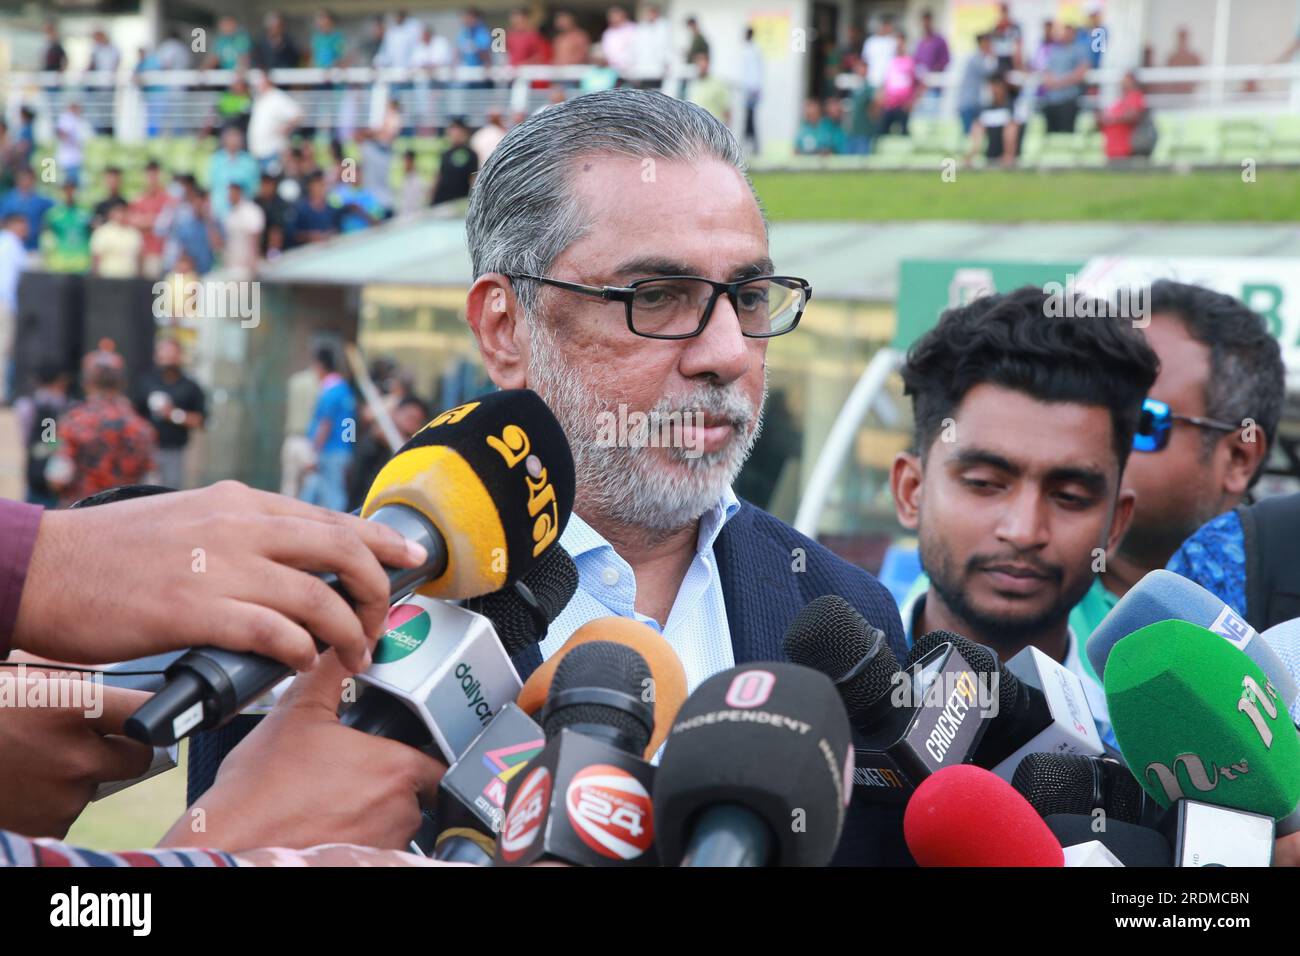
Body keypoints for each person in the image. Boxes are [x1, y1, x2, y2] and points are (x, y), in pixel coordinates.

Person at [459, 87, 907, 865]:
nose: (728, 352)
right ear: (506, 328)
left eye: (749, 296)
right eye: (658, 297)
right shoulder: (361, 620)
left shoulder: (847, 617)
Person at [890, 286, 1159, 747]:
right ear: (911, 491)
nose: (1023, 530)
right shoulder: (820, 707)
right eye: (984, 484)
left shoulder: (1152, 752)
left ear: (1115, 523)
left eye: (1070, 495)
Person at [1098, 281, 1283, 613]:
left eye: (1140, 420)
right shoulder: (1003, 595)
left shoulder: (1280, 628)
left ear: (1238, 458)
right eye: (1092, 407)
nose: (1094, 437)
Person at [47, 344, 157, 507]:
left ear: (86, 382)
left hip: (81, 518)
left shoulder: (74, 422)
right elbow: (151, 483)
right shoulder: (142, 427)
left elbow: (58, 478)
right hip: (126, 519)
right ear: (122, 383)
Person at [133, 337, 206, 490]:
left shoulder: (190, 387)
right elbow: (134, 414)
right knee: (142, 494)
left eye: (171, 355)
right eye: (163, 355)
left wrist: (173, 415)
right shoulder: (146, 382)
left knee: (170, 493)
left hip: (174, 451)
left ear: (179, 356)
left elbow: (200, 420)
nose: (167, 360)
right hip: (147, 450)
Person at [299, 347, 356, 513]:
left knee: (332, 495)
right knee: (327, 490)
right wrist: (348, 447)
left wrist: (314, 450)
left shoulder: (330, 392)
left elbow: (325, 423)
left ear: (320, 366)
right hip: (342, 450)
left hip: (329, 450)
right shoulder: (345, 390)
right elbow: (350, 423)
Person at [16, 360, 70, 507]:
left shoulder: (25, 405)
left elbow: (27, 441)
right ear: (61, 381)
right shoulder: (62, 406)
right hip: (55, 479)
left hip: (34, 474)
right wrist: (59, 443)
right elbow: (53, 443)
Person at [1040, 22, 1089, 133]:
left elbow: (1081, 72)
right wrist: (1052, 81)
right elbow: (1046, 72)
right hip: (1051, 100)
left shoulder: (1079, 49)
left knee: (1066, 133)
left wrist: (1059, 82)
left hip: (1068, 100)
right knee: (1051, 134)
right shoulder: (1054, 50)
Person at [126, 160, 173, 276]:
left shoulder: (167, 198)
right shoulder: (138, 199)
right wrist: (152, 219)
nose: (151, 178)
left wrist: (145, 220)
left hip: (159, 252)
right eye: (149, 174)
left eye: (154, 174)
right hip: (139, 251)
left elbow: (164, 223)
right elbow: (131, 221)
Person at [247, 72, 304, 168]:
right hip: (258, 153)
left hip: (273, 152)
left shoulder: (277, 97)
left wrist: (286, 128)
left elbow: (298, 114)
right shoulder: (259, 98)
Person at [281, 361, 320, 498]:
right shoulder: (320, 385)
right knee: (309, 486)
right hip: (308, 440)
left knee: (289, 485)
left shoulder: (294, 381)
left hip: (291, 438)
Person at [965, 74, 1022, 167]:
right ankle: (971, 155)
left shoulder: (1013, 107)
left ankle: (1008, 157)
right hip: (990, 152)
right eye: (992, 87)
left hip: (1009, 150)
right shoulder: (984, 109)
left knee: (1011, 127)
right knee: (978, 126)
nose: (994, 90)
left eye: (997, 86)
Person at [208, 125, 261, 221]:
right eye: (230, 138)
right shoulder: (216, 160)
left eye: (236, 138)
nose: (233, 141)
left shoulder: (249, 161)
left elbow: (254, 187)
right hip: (219, 210)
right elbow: (211, 185)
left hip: (242, 211)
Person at [0, 167, 54, 252]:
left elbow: (53, 216)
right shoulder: (7, 200)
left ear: (33, 180)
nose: (25, 182)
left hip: (34, 246)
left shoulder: (41, 201)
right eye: (22, 178)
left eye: (28, 179)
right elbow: (2, 221)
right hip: (12, 247)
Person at [42, 180, 91, 273]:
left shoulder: (86, 213)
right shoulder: (53, 215)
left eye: (72, 189)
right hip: (60, 265)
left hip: (81, 265)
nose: (69, 193)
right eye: (66, 190)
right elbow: (46, 240)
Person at [1097, 71, 1147, 161]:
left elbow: (1133, 116)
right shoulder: (1120, 100)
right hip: (1111, 147)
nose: (1123, 83)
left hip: (1125, 147)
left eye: (1126, 80)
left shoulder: (1135, 97)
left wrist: (1112, 119)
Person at [877, 32, 919, 136]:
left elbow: (916, 83)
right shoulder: (891, 62)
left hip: (904, 105)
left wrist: (911, 101)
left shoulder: (910, 62)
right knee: (883, 132)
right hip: (890, 104)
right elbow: (885, 83)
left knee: (904, 133)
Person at [430, 120, 479, 206]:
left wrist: (473, 201)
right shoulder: (446, 153)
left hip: (459, 202)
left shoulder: (471, 154)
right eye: (452, 131)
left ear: (465, 133)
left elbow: (473, 179)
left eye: (458, 131)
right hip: (441, 201)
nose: (455, 134)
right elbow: (438, 176)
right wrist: (431, 196)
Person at [89, 202, 143, 278]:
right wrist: (96, 276)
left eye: (124, 212)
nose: (121, 215)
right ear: (111, 214)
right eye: (118, 212)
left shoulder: (134, 233)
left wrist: (140, 275)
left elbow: (139, 257)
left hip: (129, 276)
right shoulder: (102, 232)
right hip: (107, 276)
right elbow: (96, 256)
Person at [957, 33, 997, 134]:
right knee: (971, 136)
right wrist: (994, 56)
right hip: (969, 103)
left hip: (975, 104)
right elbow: (989, 73)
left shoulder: (980, 59)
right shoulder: (975, 59)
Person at [292, 170, 343, 243]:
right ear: (310, 186)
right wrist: (312, 236)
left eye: (322, 183)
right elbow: (295, 234)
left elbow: (337, 228)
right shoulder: (301, 209)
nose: (321, 187)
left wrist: (331, 233)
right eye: (317, 183)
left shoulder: (332, 206)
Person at [53, 102, 92, 188]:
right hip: (67, 160)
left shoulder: (80, 121)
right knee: (67, 186)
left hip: (76, 159)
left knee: (76, 187)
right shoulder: (66, 118)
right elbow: (59, 133)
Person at [913, 9, 950, 99]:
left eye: (927, 20)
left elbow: (945, 60)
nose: (925, 23)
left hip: (934, 86)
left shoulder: (939, 40)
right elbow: (916, 61)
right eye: (924, 21)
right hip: (921, 87)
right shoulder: (920, 42)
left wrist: (932, 72)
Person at [633, 4, 672, 86]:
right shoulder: (641, 28)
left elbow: (667, 46)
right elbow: (637, 49)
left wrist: (667, 63)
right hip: (643, 68)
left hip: (658, 68)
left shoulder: (664, 27)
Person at [686, 52, 730, 124]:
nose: (701, 67)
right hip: (697, 129)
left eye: (703, 64)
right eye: (699, 64)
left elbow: (727, 111)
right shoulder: (693, 84)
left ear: (708, 64)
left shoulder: (718, 84)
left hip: (715, 129)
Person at [740, 27, 763, 154]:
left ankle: (752, 146)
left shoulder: (753, 51)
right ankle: (752, 145)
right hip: (748, 89)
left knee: (750, 118)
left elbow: (754, 72)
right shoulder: (748, 50)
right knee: (749, 118)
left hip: (752, 90)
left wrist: (753, 89)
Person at [862, 14, 898, 89]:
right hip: (872, 79)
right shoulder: (870, 41)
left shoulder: (894, 41)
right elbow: (865, 61)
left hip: (890, 82)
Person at [602, 6, 639, 74]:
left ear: (623, 16)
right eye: (611, 17)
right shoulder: (608, 33)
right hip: (613, 70)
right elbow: (606, 52)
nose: (613, 19)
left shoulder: (634, 29)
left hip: (632, 69)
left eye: (616, 16)